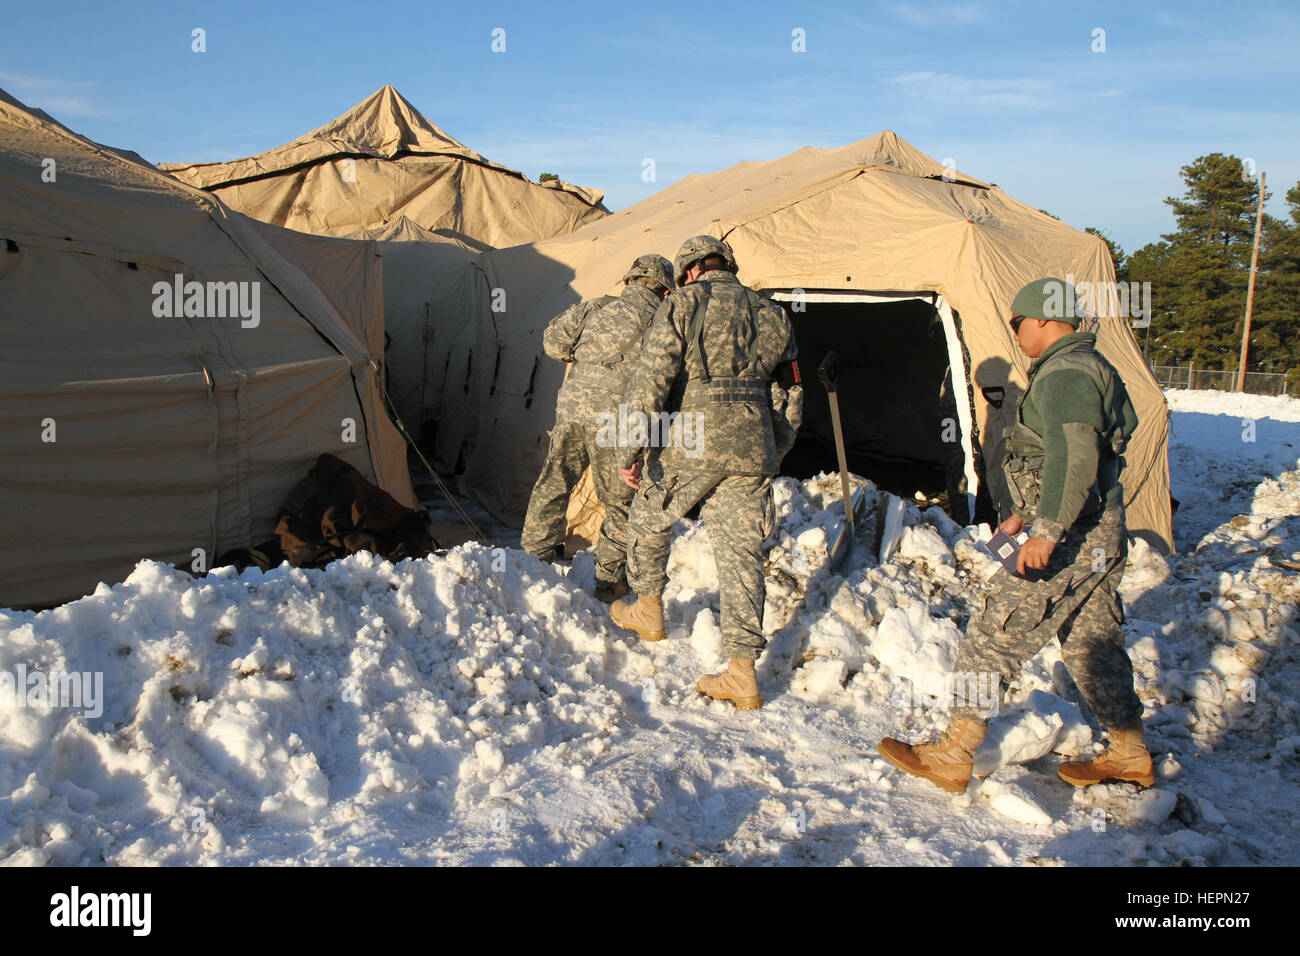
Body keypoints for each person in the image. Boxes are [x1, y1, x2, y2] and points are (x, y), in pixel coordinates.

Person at [877, 277, 1151, 792]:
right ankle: (1129, 752)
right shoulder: (1081, 367)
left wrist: (1046, 531)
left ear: (1045, 319)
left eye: (1018, 322)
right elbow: (1057, 458)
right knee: (1091, 643)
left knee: (993, 631)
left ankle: (954, 752)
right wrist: (1024, 514)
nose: (1016, 333)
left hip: (1072, 535)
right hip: (1094, 526)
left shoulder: (1067, 373)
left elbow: (1074, 457)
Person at [609, 235, 803, 709]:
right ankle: (741, 672)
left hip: (695, 432)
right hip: (753, 439)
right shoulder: (773, 312)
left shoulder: (684, 303)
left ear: (689, 271)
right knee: (741, 553)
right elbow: (790, 391)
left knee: (649, 514)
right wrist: (775, 446)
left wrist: (628, 449)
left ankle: (649, 607)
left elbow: (651, 379)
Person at [520, 254, 675, 601]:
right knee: (618, 502)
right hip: (615, 419)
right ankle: (608, 583)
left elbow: (553, 343)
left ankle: (532, 562)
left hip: (573, 407)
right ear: (665, 290)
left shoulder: (596, 307)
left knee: (554, 482)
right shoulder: (663, 321)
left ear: (630, 281)